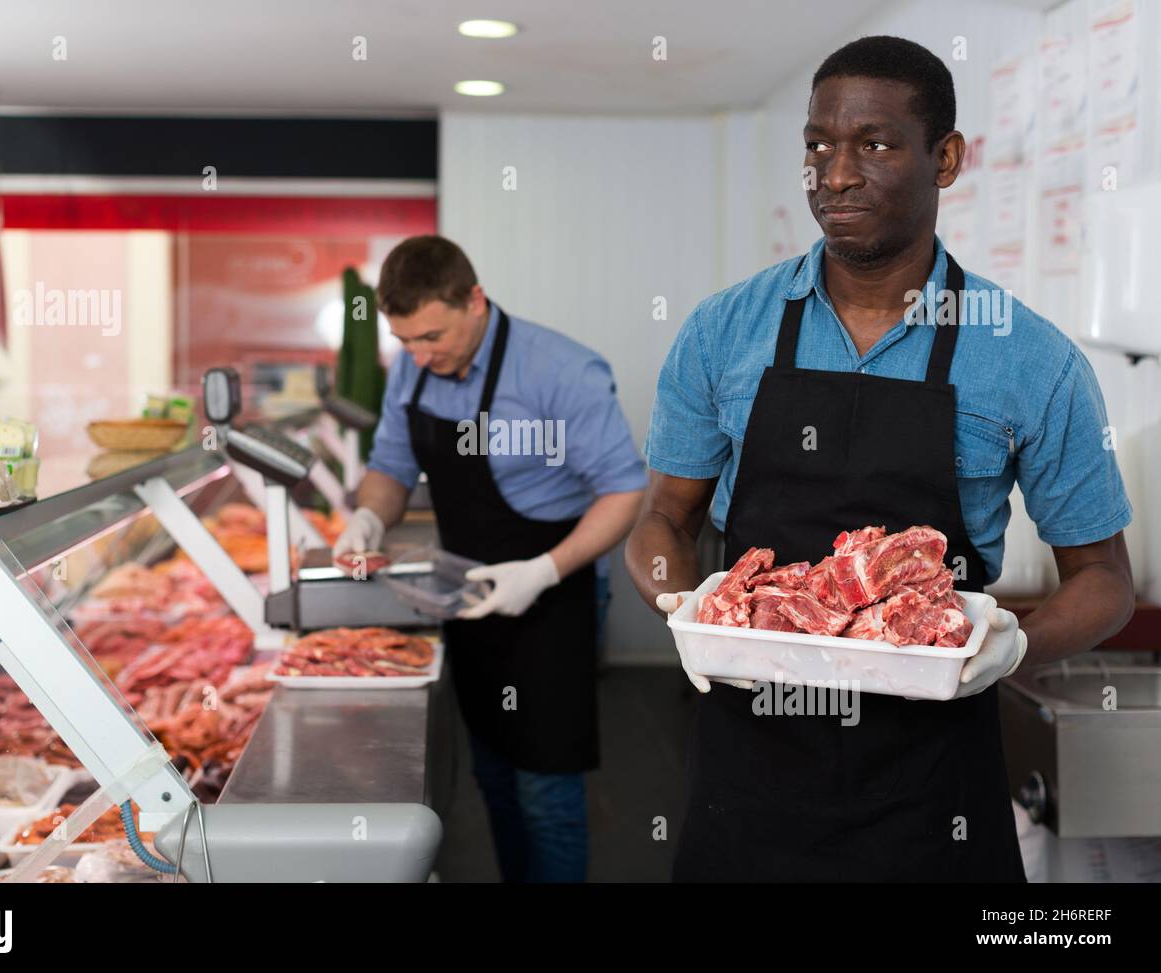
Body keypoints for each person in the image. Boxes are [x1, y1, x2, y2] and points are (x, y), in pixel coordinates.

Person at [625, 35, 1134, 882]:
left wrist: (1011, 644)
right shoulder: (723, 331)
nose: (834, 174)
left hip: (932, 779)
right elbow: (661, 519)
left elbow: (1105, 578)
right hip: (751, 759)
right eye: (818, 145)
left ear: (947, 159)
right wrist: (683, 608)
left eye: (874, 144)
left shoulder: (1030, 358)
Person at [335, 235, 646, 882]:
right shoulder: (414, 367)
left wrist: (542, 571)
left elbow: (624, 491)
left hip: (553, 598)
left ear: (474, 300)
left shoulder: (560, 370)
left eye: (432, 336)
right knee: (494, 779)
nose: (420, 356)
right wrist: (368, 517)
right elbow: (390, 467)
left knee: (546, 795)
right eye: (405, 342)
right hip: (467, 596)